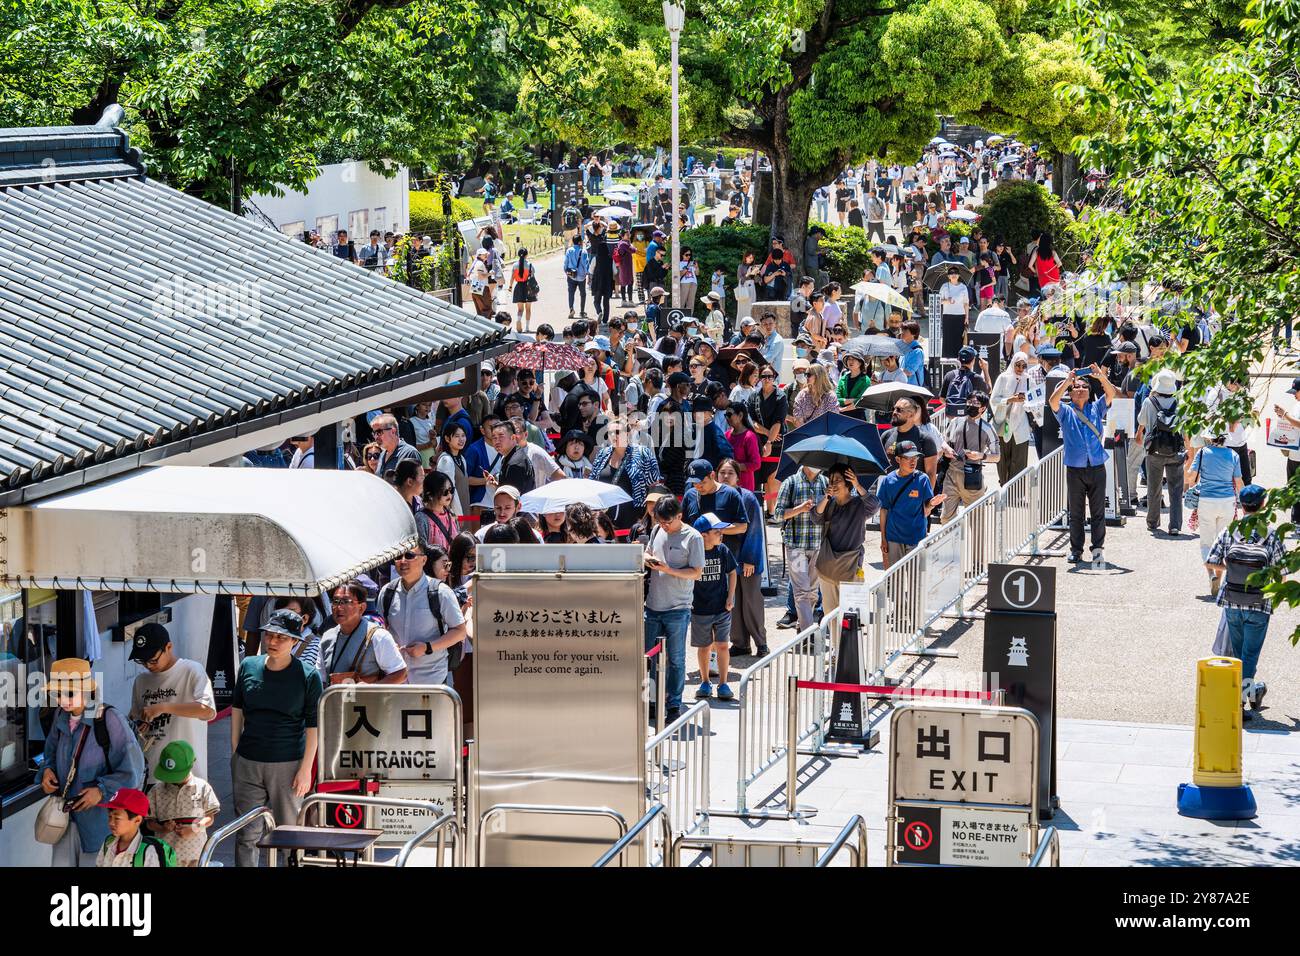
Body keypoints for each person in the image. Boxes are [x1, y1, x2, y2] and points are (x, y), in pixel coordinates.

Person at [229, 610, 321, 866]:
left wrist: (306, 770)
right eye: (269, 635)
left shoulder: (308, 676)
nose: (273, 641)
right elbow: (237, 709)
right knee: (246, 833)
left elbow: (314, 727)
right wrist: (235, 751)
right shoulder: (249, 665)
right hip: (248, 760)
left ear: (295, 641)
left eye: (282, 637)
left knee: (288, 833)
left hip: (288, 763)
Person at [38, 659, 146, 867]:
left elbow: (133, 770)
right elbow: (49, 752)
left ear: (85, 691)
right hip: (64, 820)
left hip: (100, 824)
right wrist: (47, 770)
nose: (63, 700)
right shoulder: (60, 716)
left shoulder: (109, 719)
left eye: (69, 693)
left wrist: (101, 790)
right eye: (58, 694)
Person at [1205, 484, 1284, 717]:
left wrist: (1232, 569)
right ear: (1263, 505)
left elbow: (1211, 561)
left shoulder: (1230, 531)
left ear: (1241, 504)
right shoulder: (1270, 533)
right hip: (1260, 603)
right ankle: (1242, 700)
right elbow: (1282, 571)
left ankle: (1245, 696)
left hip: (1232, 599)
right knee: (1250, 656)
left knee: (1237, 655)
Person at [128, 622, 216, 786]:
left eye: (153, 660)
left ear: (169, 647)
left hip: (187, 774)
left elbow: (207, 710)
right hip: (151, 772)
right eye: (143, 661)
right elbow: (134, 717)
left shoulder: (191, 670)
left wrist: (163, 707)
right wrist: (140, 722)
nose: (148, 665)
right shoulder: (141, 680)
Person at [643, 496, 706, 721]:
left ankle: (673, 704)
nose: (663, 526)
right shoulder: (657, 530)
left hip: (678, 607)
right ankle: (650, 700)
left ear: (679, 516)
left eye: (667, 522)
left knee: (676, 658)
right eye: (660, 521)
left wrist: (669, 570)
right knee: (648, 658)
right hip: (652, 605)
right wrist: (648, 558)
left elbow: (697, 572)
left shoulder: (694, 537)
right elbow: (648, 551)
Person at [1049, 363, 1118, 563]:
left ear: (1089, 392)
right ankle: (1076, 550)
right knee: (1076, 513)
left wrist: (1100, 376)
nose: (1080, 389)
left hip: (1096, 466)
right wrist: (1067, 381)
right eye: (1076, 387)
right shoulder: (1065, 411)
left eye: (1084, 387)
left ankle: (1097, 548)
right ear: (1070, 393)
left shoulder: (1096, 407)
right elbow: (1053, 401)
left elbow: (1111, 393)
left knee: (1098, 512)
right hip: (1075, 468)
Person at [380, 542, 467, 687]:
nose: (402, 561)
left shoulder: (441, 592)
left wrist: (427, 647)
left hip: (432, 680)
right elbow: (382, 629)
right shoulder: (387, 592)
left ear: (424, 560)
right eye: (397, 557)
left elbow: (460, 632)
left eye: (409, 556)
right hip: (396, 680)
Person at [813, 464, 878, 643]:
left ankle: (852, 656)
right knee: (830, 614)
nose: (833, 484)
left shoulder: (859, 504)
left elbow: (875, 505)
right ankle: (836, 653)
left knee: (852, 616)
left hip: (851, 569)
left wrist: (858, 485)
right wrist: (826, 497)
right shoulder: (828, 504)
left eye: (838, 480)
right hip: (828, 569)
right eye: (831, 480)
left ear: (848, 482)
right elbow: (815, 517)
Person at [716, 458, 768, 658]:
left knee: (751, 601)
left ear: (738, 476)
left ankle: (761, 643)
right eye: (723, 472)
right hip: (725, 558)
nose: (726, 476)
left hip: (746, 558)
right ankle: (739, 642)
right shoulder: (715, 497)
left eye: (730, 473)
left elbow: (754, 530)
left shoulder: (747, 498)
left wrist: (750, 559)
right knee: (732, 602)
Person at [318, 580, 409, 685]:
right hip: (335, 700)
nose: (339, 607)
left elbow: (401, 673)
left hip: (369, 700)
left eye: (346, 601)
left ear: (362, 607)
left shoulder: (378, 636)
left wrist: (369, 690)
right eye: (335, 601)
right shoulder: (327, 637)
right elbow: (321, 679)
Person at [147, 740, 220, 866]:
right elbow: (149, 823)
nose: (172, 780)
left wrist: (194, 828)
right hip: (166, 856)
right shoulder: (156, 791)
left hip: (196, 856)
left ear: (191, 765)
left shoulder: (202, 787)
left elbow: (210, 817)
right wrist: (162, 828)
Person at [690, 513, 738, 700]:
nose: (721, 534)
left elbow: (733, 572)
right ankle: (704, 681)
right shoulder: (694, 552)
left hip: (721, 608)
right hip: (699, 608)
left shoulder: (723, 550)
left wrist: (730, 597)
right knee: (704, 647)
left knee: (723, 646)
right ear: (703, 535)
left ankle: (723, 683)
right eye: (717, 531)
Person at [1135, 369, 1186, 535]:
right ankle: (1175, 525)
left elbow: (1141, 422)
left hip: (1154, 451)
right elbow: (1185, 429)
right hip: (1175, 450)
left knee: (1154, 488)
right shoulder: (1180, 402)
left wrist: (1139, 434)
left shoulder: (1149, 401)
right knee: (1176, 490)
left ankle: (1152, 521)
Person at [1188, 434, 1244, 585]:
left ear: (1209, 438)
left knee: (1207, 543)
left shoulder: (1202, 453)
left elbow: (1191, 478)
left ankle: (1211, 574)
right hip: (1227, 502)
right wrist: (1246, 507)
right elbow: (1239, 482)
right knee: (1223, 541)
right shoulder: (1233, 455)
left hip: (1207, 500)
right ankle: (1219, 580)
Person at [879, 441, 943, 568]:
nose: (913, 461)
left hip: (916, 538)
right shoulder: (888, 480)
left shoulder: (922, 479)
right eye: (908, 458)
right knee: (895, 580)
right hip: (894, 537)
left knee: (916, 582)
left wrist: (932, 504)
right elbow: (883, 510)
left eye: (915, 457)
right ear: (898, 459)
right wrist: (883, 538)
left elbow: (926, 510)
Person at [940, 391, 1000, 523]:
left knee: (976, 521)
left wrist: (981, 455)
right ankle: (952, 543)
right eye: (969, 402)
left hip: (972, 476)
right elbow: (944, 442)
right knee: (945, 518)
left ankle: (976, 545)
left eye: (975, 403)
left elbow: (997, 457)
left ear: (983, 408)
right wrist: (947, 450)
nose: (971, 405)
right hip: (951, 474)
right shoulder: (955, 422)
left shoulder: (987, 428)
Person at [590, 418, 661, 528]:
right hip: (605, 518)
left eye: (618, 432)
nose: (614, 435)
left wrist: (649, 516)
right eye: (610, 432)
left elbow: (654, 485)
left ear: (627, 433)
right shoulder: (602, 454)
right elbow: (593, 482)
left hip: (634, 517)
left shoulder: (642, 453)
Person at [990, 352, 1033, 485]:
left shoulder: (1028, 379)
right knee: (1003, 460)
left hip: (1021, 423)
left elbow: (1034, 400)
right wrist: (1010, 399)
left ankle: (1017, 492)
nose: (1020, 369)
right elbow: (994, 400)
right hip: (1004, 422)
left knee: (1020, 460)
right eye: (1018, 365)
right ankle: (1003, 486)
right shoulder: (1003, 378)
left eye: (1024, 366)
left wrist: (1026, 401)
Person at [372, 412, 421, 477]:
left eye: (378, 432)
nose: (376, 437)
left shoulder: (409, 453)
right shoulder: (382, 455)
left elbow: (415, 484)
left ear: (393, 431)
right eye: (374, 433)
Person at [938, 267, 970, 359]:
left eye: (956, 273)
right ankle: (947, 358)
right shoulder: (944, 286)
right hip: (947, 315)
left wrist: (967, 317)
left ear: (959, 275)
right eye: (951, 273)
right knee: (947, 337)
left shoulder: (963, 287)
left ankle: (959, 358)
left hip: (960, 315)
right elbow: (938, 300)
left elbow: (966, 303)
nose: (953, 275)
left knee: (959, 338)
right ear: (948, 276)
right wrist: (946, 300)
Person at [564, 233, 591, 319]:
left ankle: (571, 309)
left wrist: (566, 271)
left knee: (571, 293)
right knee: (582, 294)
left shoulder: (569, 250)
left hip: (571, 275)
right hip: (581, 276)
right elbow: (586, 265)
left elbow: (566, 263)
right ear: (580, 242)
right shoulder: (583, 251)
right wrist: (588, 275)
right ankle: (582, 311)